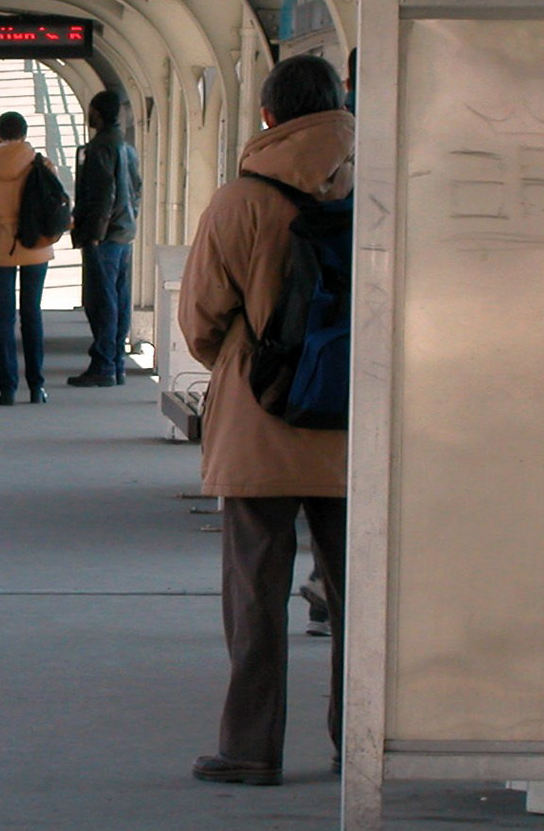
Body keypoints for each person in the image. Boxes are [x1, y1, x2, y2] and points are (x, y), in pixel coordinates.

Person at [178, 54, 354, 786]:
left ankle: (250, 749)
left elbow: (200, 321)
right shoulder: (383, 184)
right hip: (358, 424)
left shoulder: (240, 200)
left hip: (262, 422)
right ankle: (366, 736)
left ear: (268, 118)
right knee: (361, 597)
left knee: (255, 594)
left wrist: (251, 362)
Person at [0, 111, 57, 405]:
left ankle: (7, 389)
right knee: (32, 313)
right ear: (24, 134)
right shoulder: (41, 163)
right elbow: (55, 203)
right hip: (36, 245)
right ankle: (37, 387)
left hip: (0, 245)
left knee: (4, 316)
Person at [66, 89, 142, 387]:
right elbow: (135, 190)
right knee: (119, 299)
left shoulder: (100, 148)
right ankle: (117, 364)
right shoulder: (127, 148)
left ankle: (103, 364)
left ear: (97, 113)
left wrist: (94, 233)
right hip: (124, 233)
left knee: (101, 300)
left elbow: (102, 195)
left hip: (104, 236)